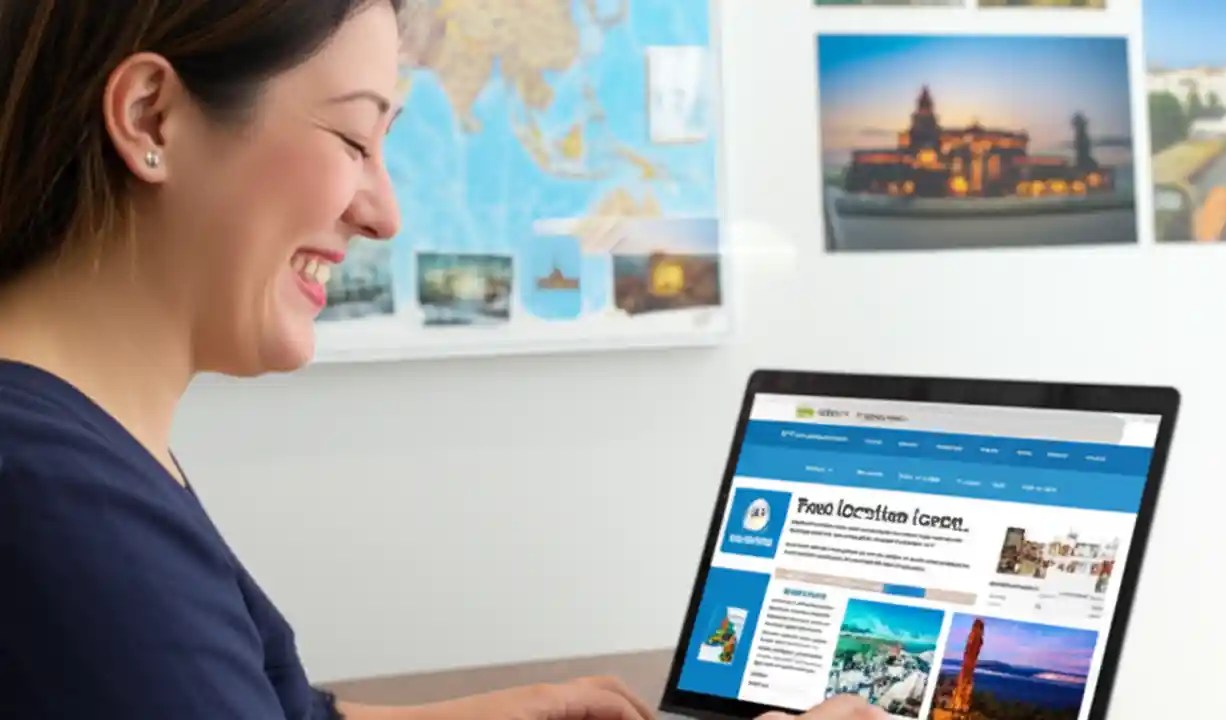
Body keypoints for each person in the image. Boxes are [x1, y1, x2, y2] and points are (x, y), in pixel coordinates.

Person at [0, 2, 887, 719]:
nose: (384, 214)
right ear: (152, 116)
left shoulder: (78, 452)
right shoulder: (54, 502)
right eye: (354, 141)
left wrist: (496, 714)